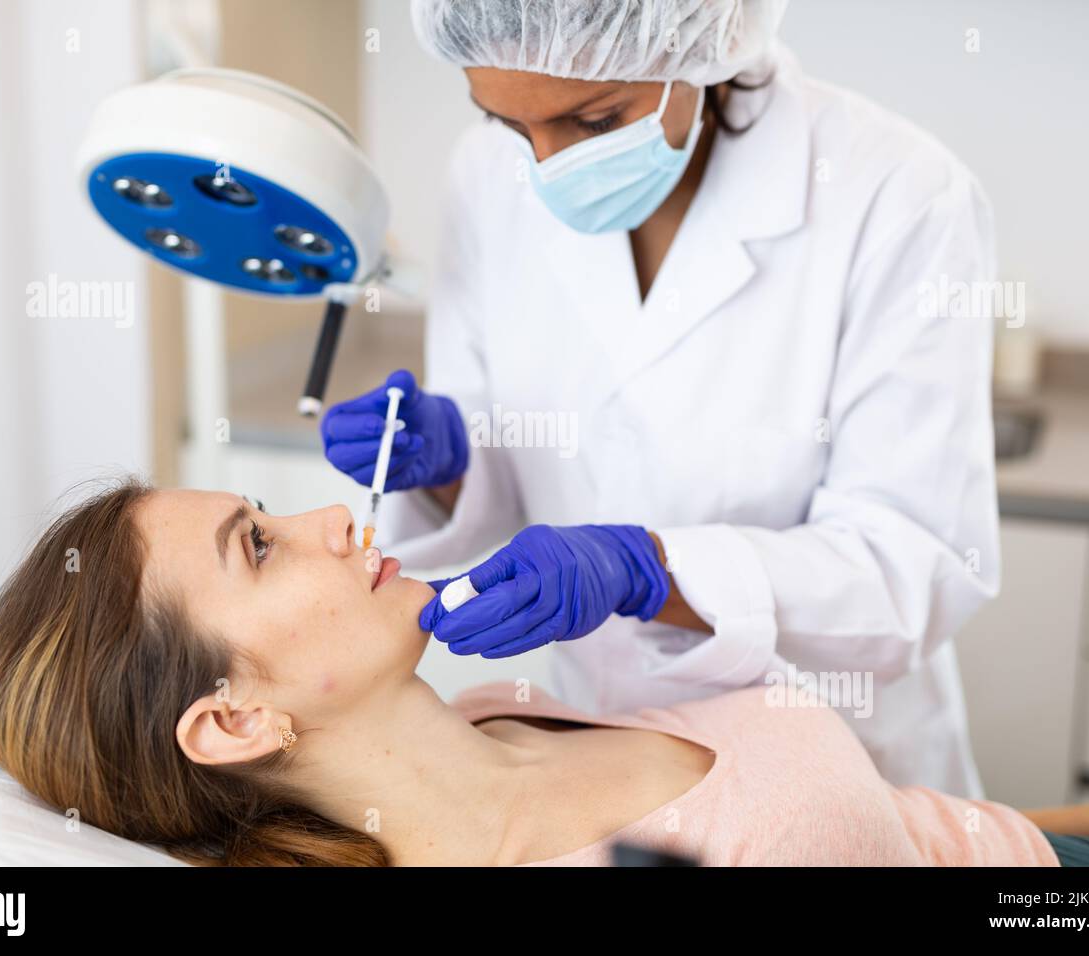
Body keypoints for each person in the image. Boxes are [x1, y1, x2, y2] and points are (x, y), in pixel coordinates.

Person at [319, 0, 1001, 797]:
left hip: (834, 765)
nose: (546, 170)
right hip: (604, 755)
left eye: (596, 120)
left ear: (697, 47)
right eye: (511, 128)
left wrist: (651, 569)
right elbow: (507, 455)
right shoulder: (483, 174)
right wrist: (447, 463)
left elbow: (910, 567)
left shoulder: (899, 196)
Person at [0, 482, 1089, 867]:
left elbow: (927, 835)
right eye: (259, 543)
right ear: (232, 716)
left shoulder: (501, 707)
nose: (335, 515)